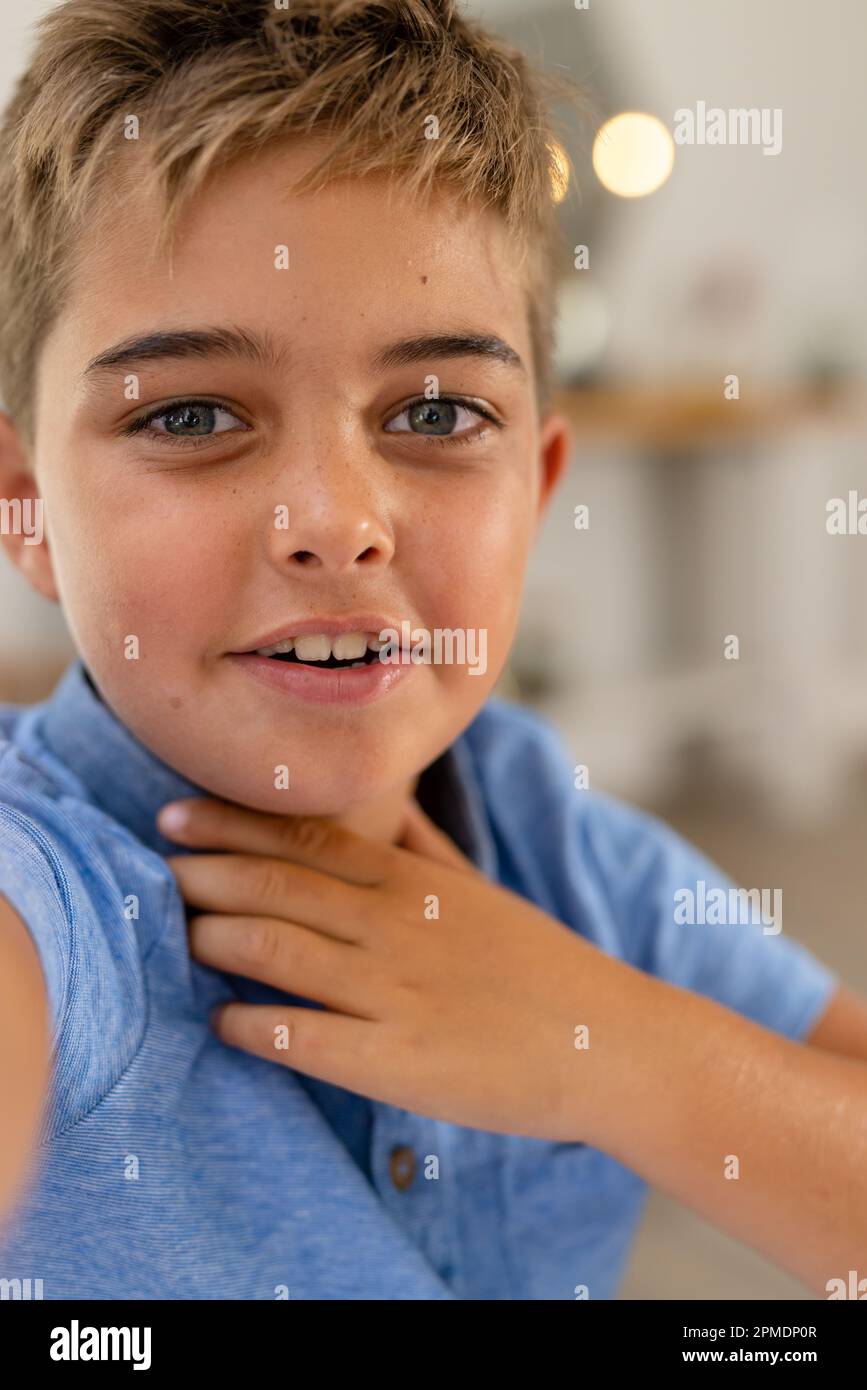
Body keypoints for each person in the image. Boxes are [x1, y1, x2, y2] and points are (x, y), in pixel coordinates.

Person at [0, 0, 864, 1301]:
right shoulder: (42, 898)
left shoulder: (562, 850)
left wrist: (605, 1044)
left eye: (437, 410)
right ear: (27, 511)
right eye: (190, 412)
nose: (337, 523)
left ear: (537, 481)